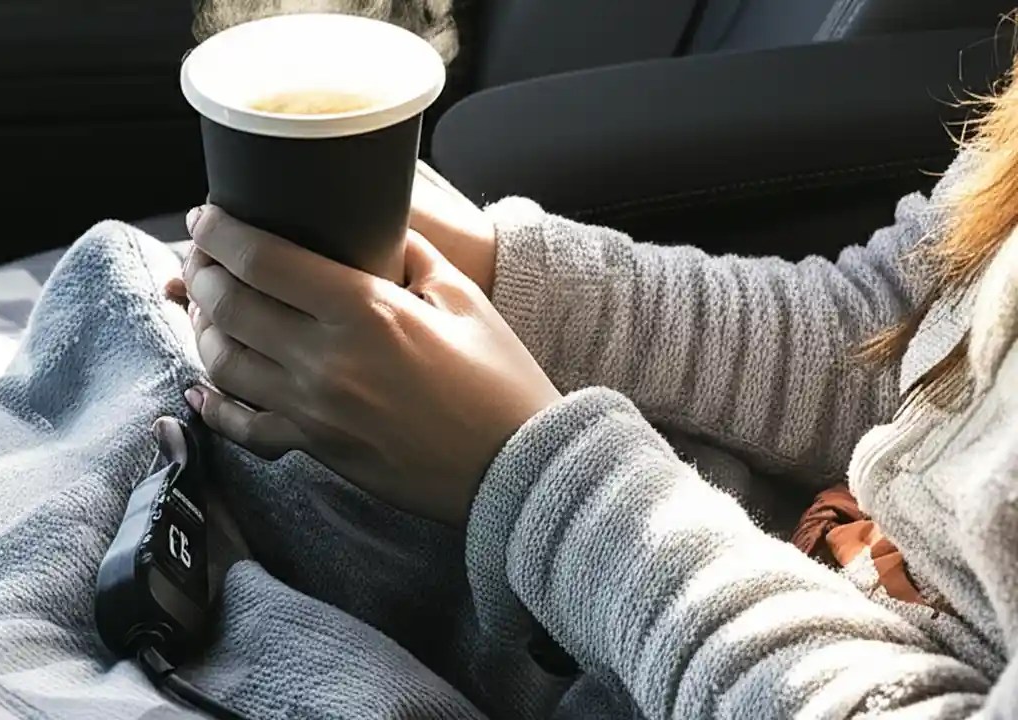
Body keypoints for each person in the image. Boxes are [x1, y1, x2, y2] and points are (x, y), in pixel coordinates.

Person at [170, 50, 1018, 720]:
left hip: (751, 642)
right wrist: (510, 274)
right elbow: (899, 334)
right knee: (150, 319)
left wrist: (537, 480)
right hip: (777, 581)